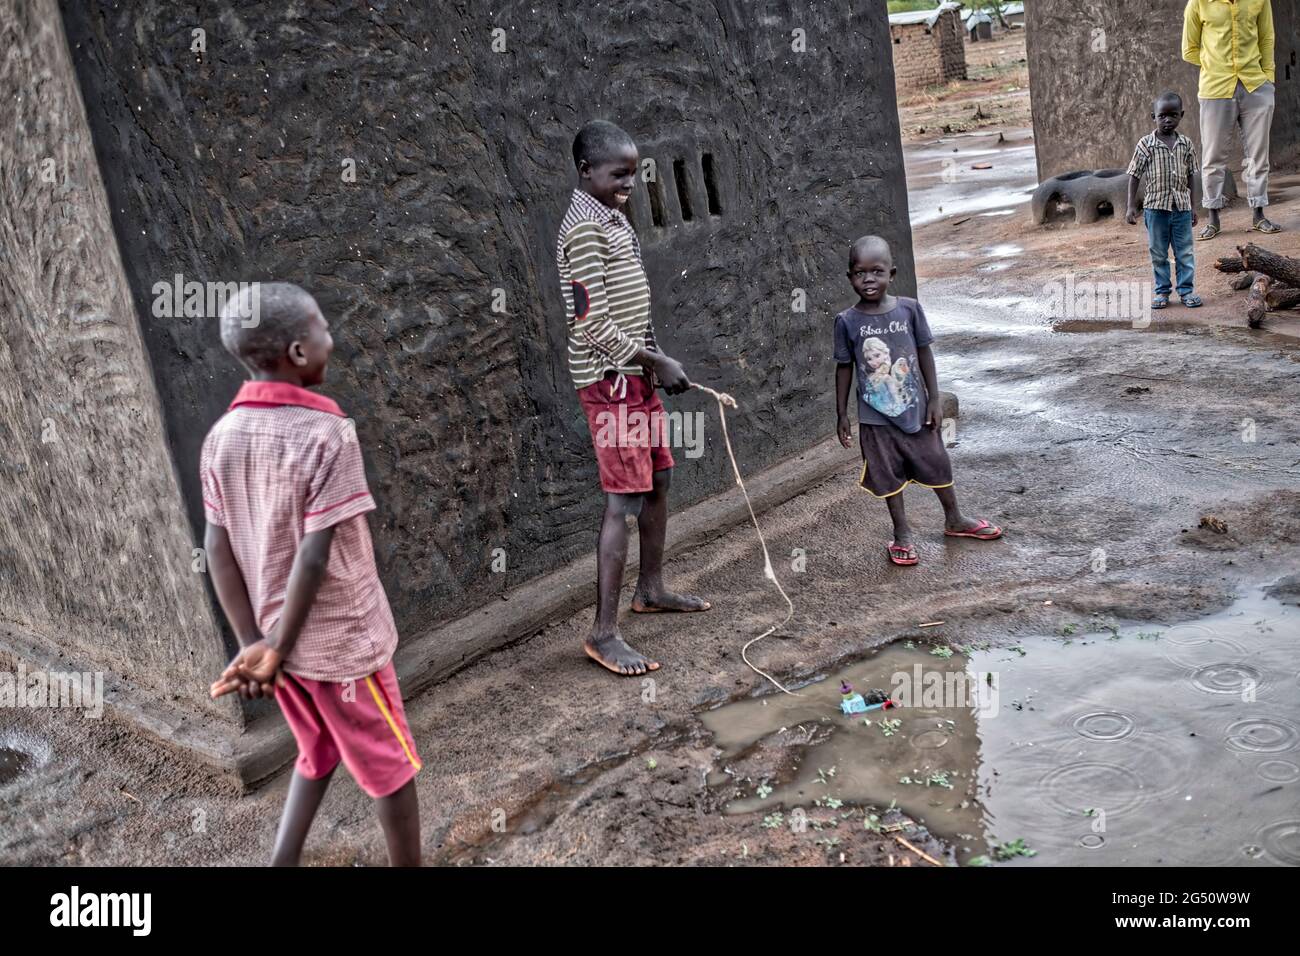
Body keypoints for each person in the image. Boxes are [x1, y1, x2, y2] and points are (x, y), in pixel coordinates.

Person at [202, 282, 422, 866]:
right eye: (323, 329)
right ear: (298, 353)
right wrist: (275, 647)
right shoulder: (329, 434)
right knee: (391, 765)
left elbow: (216, 547)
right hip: (338, 644)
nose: (333, 338)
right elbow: (315, 556)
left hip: (278, 643)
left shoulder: (220, 439)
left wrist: (259, 644)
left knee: (317, 748)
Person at [555, 119, 710, 676]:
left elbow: (627, 305)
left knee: (659, 478)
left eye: (634, 173)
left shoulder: (612, 219)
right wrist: (653, 361)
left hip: (635, 374)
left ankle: (650, 589)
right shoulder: (583, 230)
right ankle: (603, 633)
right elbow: (591, 323)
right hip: (609, 381)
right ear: (585, 171)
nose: (630, 183)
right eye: (619, 173)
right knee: (622, 500)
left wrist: (654, 351)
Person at [834, 236, 1002, 566]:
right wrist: (842, 414)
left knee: (937, 461)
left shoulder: (909, 309)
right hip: (875, 418)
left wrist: (934, 398)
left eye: (877, 271)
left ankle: (954, 518)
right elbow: (844, 367)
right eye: (859, 273)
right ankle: (902, 534)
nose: (868, 279)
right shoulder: (846, 321)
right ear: (850, 276)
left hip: (916, 410)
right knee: (886, 474)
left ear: (892, 273)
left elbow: (924, 352)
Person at [1182, 0, 1281, 238]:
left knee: (1259, 154)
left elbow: (1266, 38)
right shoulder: (1199, 3)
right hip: (1215, 88)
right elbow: (1189, 49)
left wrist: (1268, 78)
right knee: (1213, 156)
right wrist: (1216, 65)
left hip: (1256, 85)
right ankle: (1213, 218)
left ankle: (1259, 215)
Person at [1125, 92, 1203, 309]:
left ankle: (1186, 291)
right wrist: (1131, 205)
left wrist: (1193, 207)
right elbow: (1134, 175)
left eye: (1173, 115)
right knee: (1158, 252)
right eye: (1162, 116)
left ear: (1181, 115)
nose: (1167, 120)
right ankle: (1162, 292)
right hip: (1155, 209)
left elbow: (1191, 176)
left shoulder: (1186, 144)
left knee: (1184, 252)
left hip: (1181, 209)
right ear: (1153, 117)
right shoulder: (1145, 145)